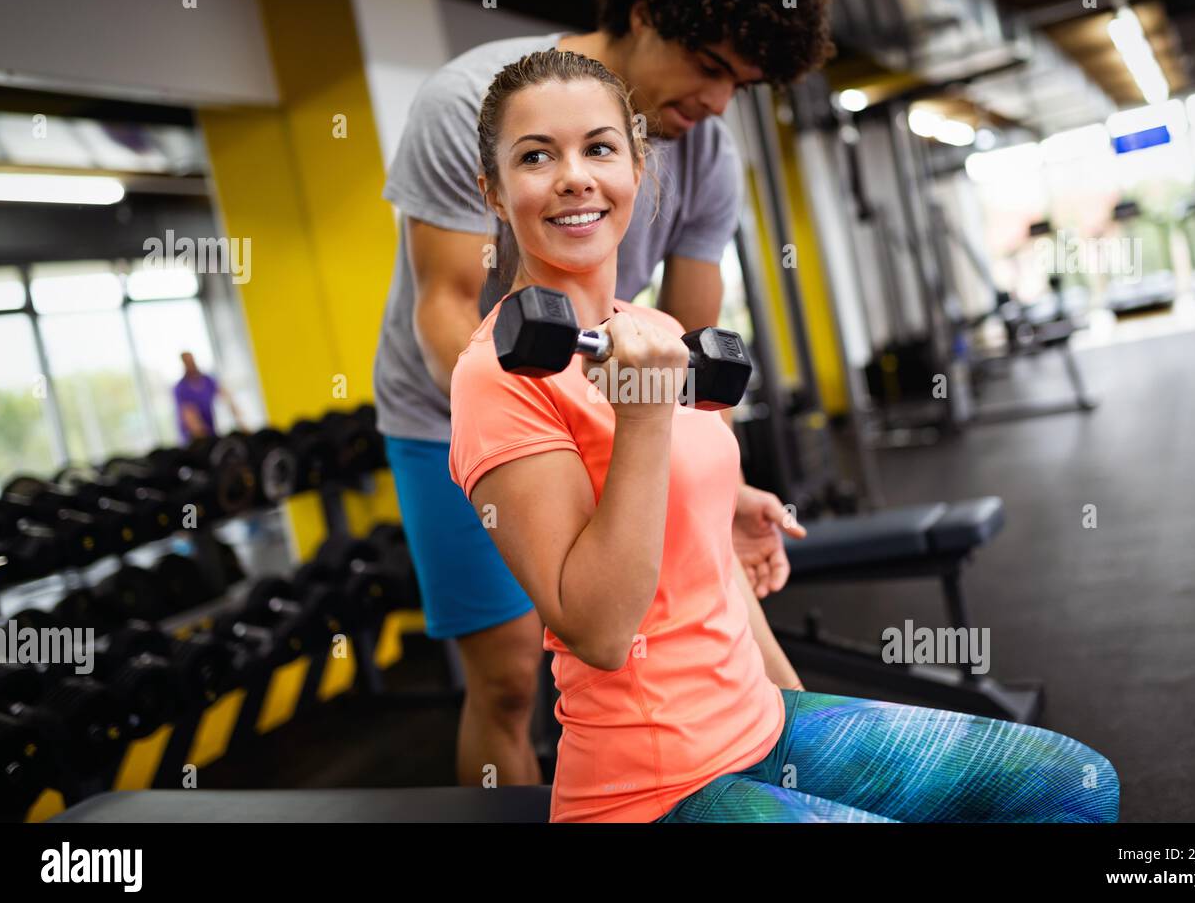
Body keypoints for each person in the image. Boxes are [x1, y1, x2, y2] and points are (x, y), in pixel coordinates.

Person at [448, 48, 1121, 823]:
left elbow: (709, 564)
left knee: (1073, 786)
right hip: (655, 788)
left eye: (599, 148)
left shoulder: (655, 330)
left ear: (638, 168)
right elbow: (599, 631)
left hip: (758, 724)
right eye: (537, 156)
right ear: (494, 192)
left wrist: (800, 712)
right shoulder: (498, 378)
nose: (574, 175)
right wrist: (643, 417)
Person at [373, 0, 834, 785]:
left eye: (743, 84)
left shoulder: (705, 152)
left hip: (612, 395)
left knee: (646, 622)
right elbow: (442, 305)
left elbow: (696, 351)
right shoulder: (468, 102)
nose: (719, 102)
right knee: (512, 678)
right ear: (648, 14)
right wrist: (537, 429)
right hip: (450, 406)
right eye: (710, 68)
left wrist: (711, 486)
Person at [173, 352, 245, 443]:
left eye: (192, 361)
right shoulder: (180, 388)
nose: (191, 364)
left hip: (210, 433)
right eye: (188, 362)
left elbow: (226, 397)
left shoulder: (208, 380)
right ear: (184, 364)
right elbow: (190, 416)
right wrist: (203, 436)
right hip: (194, 439)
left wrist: (240, 420)